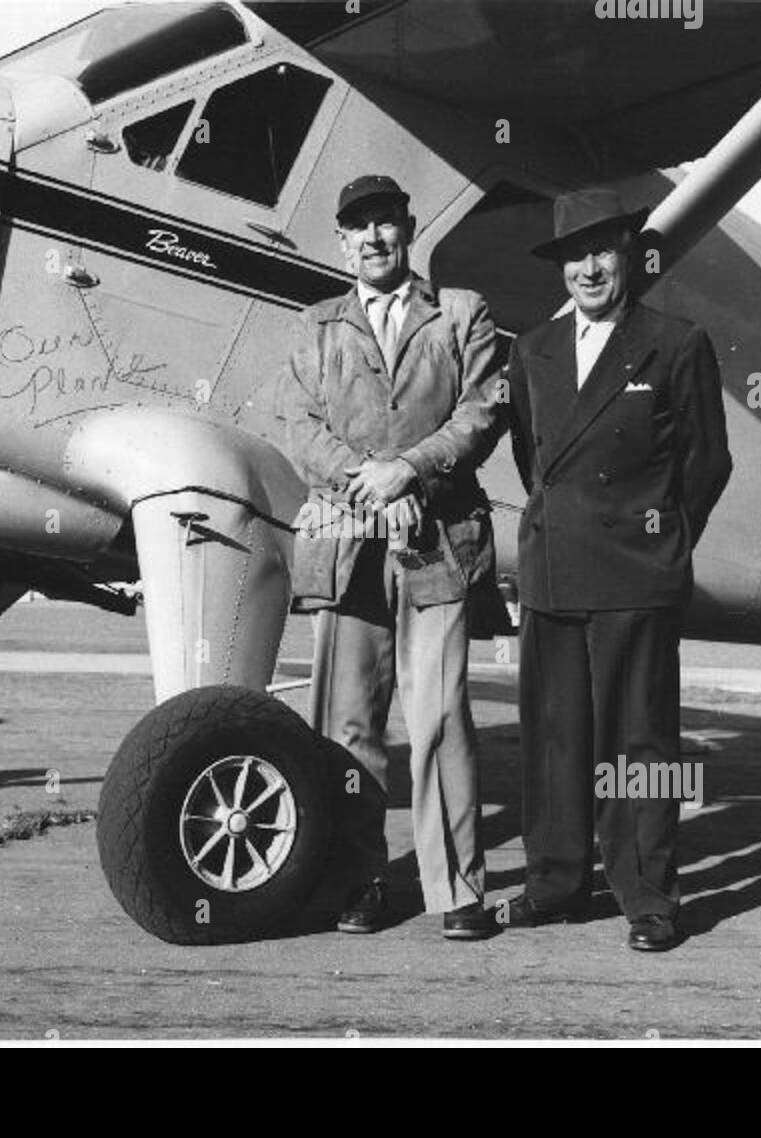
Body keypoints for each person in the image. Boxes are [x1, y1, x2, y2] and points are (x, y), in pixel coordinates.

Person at [502, 187, 732, 950]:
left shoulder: (675, 342)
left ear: (627, 255)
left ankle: (649, 897)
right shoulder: (530, 349)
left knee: (641, 743)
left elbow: (706, 464)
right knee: (556, 736)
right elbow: (534, 457)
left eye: (603, 250)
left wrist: (658, 536)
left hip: (636, 572)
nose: (589, 268)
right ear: (561, 267)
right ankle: (557, 882)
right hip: (555, 571)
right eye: (575, 255)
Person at [279, 174, 503, 940]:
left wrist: (412, 468)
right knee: (348, 723)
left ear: (408, 229)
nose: (373, 239)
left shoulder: (462, 313)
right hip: (347, 546)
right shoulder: (313, 327)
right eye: (358, 229)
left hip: (440, 544)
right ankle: (358, 879)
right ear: (342, 242)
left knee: (439, 715)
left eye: (385, 223)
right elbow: (302, 428)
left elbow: (483, 410)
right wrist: (370, 482)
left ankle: (458, 889)